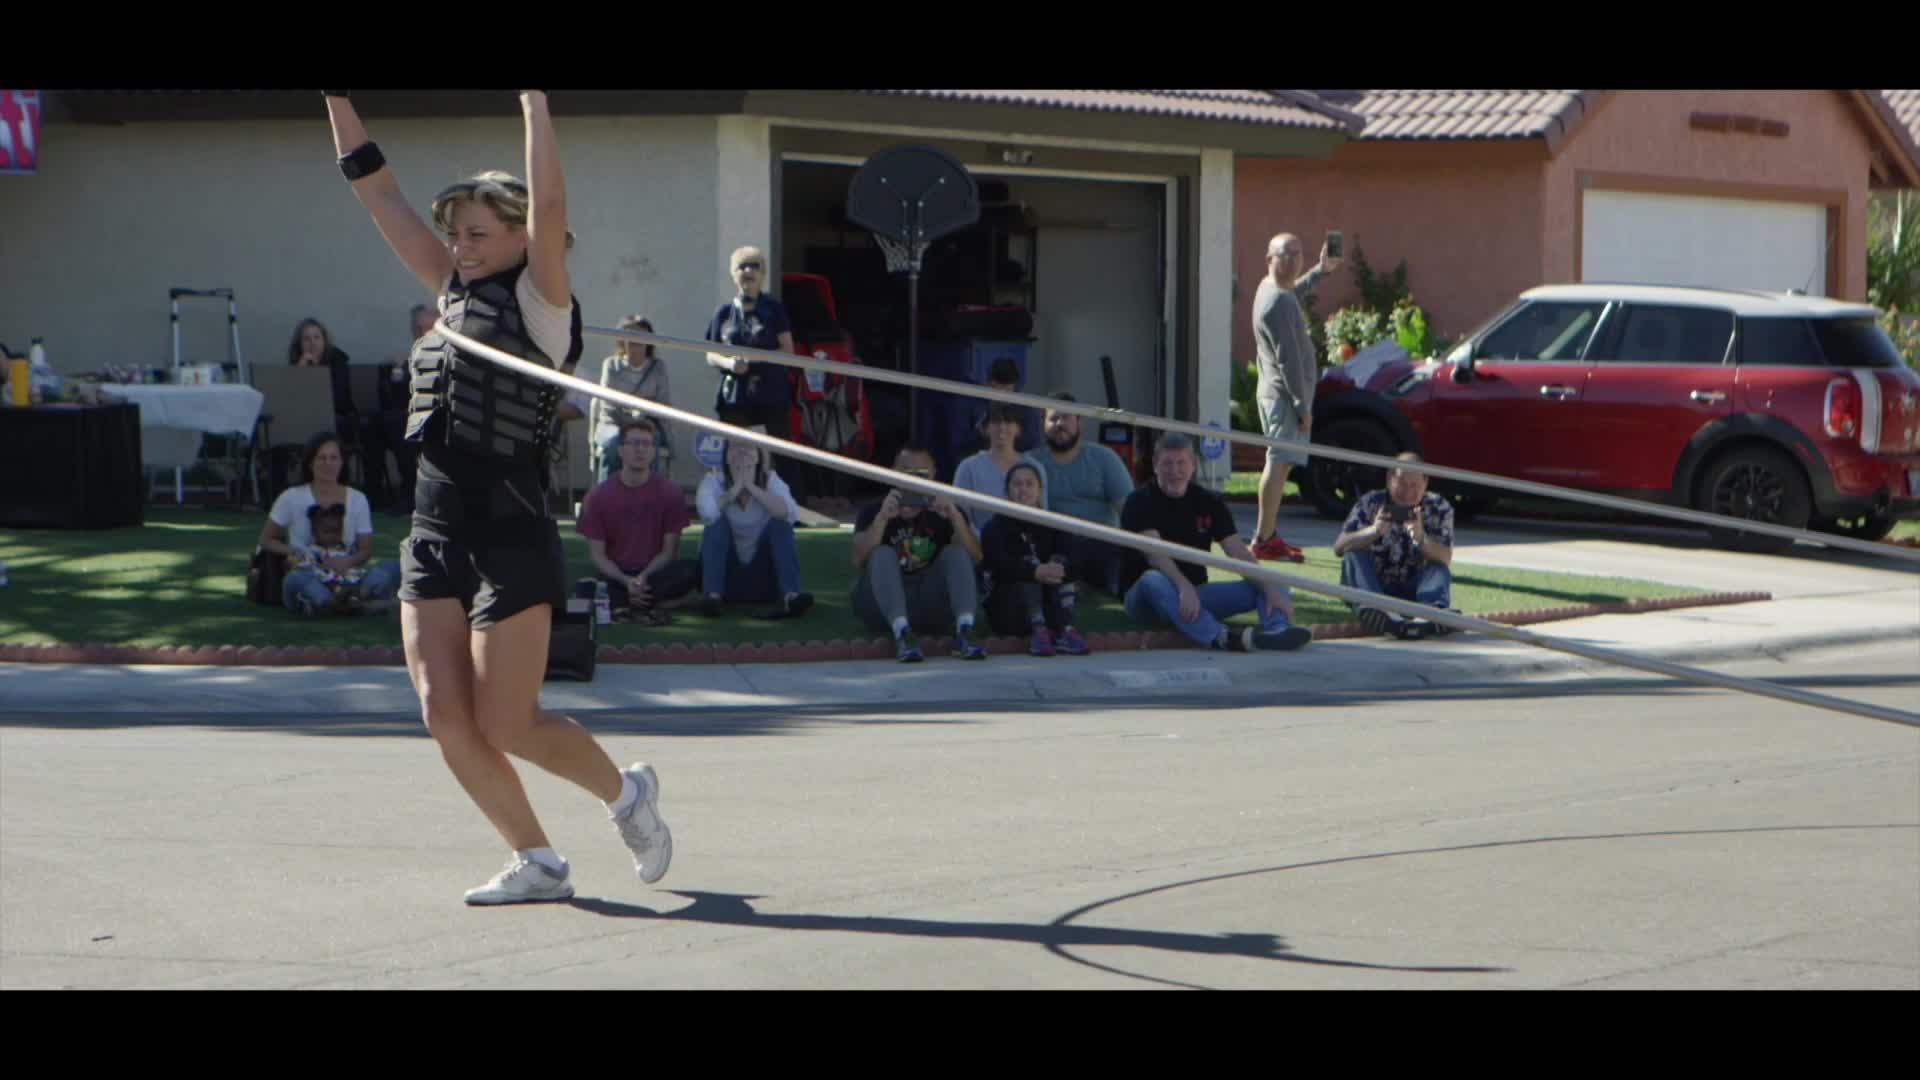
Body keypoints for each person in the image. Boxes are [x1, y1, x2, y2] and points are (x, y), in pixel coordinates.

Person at [324, 89, 669, 906]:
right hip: (437, 527)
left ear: (519, 238)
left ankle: (628, 798)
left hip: (509, 531)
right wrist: (337, 98)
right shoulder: (450, 286)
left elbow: (549, 201)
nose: (461, 245)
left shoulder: (543, 306)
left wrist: (535, 103)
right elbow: (377, 191)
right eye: (457, 232)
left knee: (508, 722)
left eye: (480, 233)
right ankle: (538, 860)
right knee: (447, 716)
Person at [1121, 433, 1312, 652]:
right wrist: (1183, 587)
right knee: (1152, 579)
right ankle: (1220, 637)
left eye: (1181, 462)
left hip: (1195, 594)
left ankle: (1278, 630)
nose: (1175, 471)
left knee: (1273, 583)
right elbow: (1155, 553)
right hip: (1147, 599)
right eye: (1167, 464)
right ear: (1155, 465)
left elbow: (1237, 551)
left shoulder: (1209, 501)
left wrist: (1269, 589)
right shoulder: (1139, 501)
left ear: (1193, 465)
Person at [1249, 231, 1341, 564]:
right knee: (1278, 462)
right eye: (1284, 255)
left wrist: (1320, 271)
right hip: (1284, 396)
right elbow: (1289, 359)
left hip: (1277, 392)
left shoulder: (1270, 289)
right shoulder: (1277, 300)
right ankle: (1263, 539)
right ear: (1269, 259)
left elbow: (1293, 292)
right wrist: (1302, 407)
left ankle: (1267, 535)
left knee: (1281, 462)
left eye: (1297, 254)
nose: (1292, 260)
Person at [850, 445, 988, 662]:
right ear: (892, 472)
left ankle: (965, 630)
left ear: (933, 476)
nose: (913, 481)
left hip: (931, 602)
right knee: (882, 553)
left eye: (920, 474)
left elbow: (976, 556)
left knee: (956, 553)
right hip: (882, 605)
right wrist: (882, 519)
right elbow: (858, 559)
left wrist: (955, 518)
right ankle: (901, 632)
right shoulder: (874, 510)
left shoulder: (945, 511)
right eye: (906, 473)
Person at [256, 430, 401, 617]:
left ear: (342, 462)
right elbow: (266, 540)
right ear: (310, 463)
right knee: (294, 580)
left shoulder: (357, 499)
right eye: (321, 458)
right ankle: (342, 603)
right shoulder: (291, 497)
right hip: (310, 573)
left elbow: (365, 550)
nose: (327, 464)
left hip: (350, 576)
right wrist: (295, 552)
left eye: (333, 458)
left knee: (394, 567)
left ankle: (348, 601)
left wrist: (346, 561)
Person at [705, 245, 804, 503]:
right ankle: (732, 501)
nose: (748, 271)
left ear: (763, 274)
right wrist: (729, 364)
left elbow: (788, 351)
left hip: (770, 391)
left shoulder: (773, 309)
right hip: (734, 394)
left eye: (754, 266)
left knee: (782, 451)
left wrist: (754, 358)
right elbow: (710, 353)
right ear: (733, 273)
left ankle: (792, 505)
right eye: (742, 266)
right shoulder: (724, 313)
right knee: (734, 452)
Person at [577, 418, 699, 625]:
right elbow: (597, 556)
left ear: (653, 452)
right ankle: (650, 603)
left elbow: (669, 552)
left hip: (653, 574)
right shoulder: (597, 496)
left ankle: (628, 603)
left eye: (646, 444)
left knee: (694, 570)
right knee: (579, 594)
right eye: (633, 443)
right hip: (616, 575)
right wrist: (626, 582)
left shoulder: (671, 493)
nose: (640, 450)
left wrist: (642, 578)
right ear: (620, 450)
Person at [1332, 452, 1457, 640]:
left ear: (1425, 483)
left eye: (1414, 485)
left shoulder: (1439, 507)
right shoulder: (1371, 502)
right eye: (1401, 483)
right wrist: (1373, 531)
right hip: (1375, 583)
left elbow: (1445, 558)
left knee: (1437, 566)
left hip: (1415, 586)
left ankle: (1431, 612)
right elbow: (1339, 547)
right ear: (1389, 479)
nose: (1407, 493)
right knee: (1353, 555)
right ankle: (1375, 609)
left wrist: (1421, 538)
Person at [694, 434, 813, 620]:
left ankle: (791, 596)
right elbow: (707, 513)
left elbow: (789, 513)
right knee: (717, 523)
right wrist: (734, 490)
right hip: (728, 580)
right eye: (735, 447)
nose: (741, 452)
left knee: (779, 523)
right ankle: (712, 596)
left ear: (758, 456)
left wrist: (750, 486)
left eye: (748, 447)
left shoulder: (771, 480)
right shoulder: (713, 480)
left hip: (764, 581)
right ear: (725, 456)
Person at [979, 461, 1091, 657]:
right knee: (1028, 567)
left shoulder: (1054, 523)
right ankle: (1039, 632)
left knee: (1060, 563)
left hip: (1051, 603)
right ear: (1006, 491)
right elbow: (999, 567)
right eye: (1017, 484)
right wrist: (1035, 571)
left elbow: (1078, 561)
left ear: (1040, 491)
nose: (1023, 489)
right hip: (1012, 608)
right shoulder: (994, 528)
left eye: (1030, 484)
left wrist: (1059, 567)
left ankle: (1066, 630)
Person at [1036, 392, 1135, 595]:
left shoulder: (1105, 459)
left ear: (1079, 422)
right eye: (1053, 418)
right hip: (1056, 547)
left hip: (1102, 546)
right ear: (1043, 424)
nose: (1059, 424)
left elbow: (1130, 512)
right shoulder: (1031, 464)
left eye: (1066, 417)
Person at [590, 314, 672, 482]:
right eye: (630, 334)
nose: (635, 339)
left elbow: (663, 404)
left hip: (647, 425)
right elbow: (608, 404)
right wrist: (630, 419)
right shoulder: (611, 365)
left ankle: (649, 498)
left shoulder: (658, 368)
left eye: (640, 334)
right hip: (613, 423)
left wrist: (642, 418)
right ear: (622, 339)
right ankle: (607, 497)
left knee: (648, 443)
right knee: (613, 443)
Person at [375, 304, 437, 513]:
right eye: (417, 329)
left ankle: (413, 495)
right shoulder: (407, 362)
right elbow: (395, 400)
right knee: (388, 422)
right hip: (413, 419)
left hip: (444, 417)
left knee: (402, 424)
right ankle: (381, 495)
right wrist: (397, 374)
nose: (422, 334)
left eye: (427, 328)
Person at [951, 403, 1049, 533]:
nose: (1002, 427)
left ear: (1018, 429)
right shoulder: (967, 468)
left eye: (1008, 421)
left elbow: (1043, 516)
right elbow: (960, 518)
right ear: (985, 428)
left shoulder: (1036, 467)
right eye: (996, 421)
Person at [969, 356, 1041, 454]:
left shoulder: (1028, 411)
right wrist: (980, 433)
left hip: (1017, 462)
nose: (1002, 393)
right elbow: (964, 443)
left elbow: (1032, 445)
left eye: (1007, 389)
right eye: (997, 388)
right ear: (988, 384)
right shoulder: (976, 407)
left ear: (1014, 386)